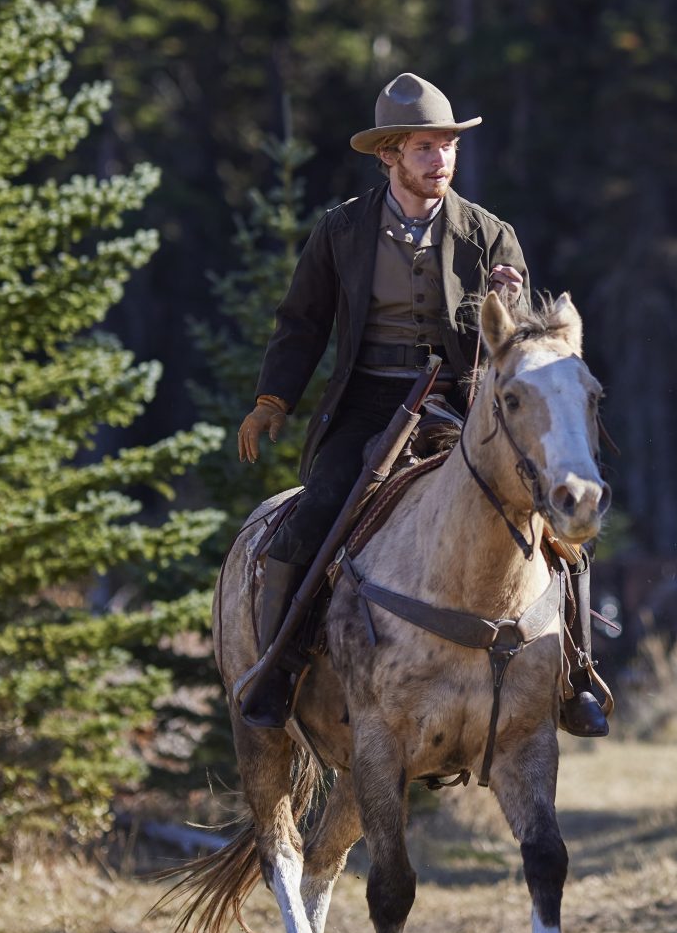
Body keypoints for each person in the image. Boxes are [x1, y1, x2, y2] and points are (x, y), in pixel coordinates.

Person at [232, 72, 611, 735]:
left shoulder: (491, 235)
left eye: (449, 147)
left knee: (560, 518)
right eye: (426, 149)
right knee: (314, 515)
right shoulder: (341, 232)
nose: (442, 161)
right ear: (390, 156)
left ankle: (574, 674)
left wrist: (511, 300)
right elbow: (302, 322)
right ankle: (279, 667)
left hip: (465, 404)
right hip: (366, 400)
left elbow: (516, 341)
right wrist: (272, 399)